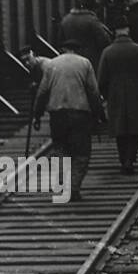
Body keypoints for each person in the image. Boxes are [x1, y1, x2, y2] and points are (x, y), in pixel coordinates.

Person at [32, 38, 105, 202]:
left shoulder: (51, 65)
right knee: (81, 153)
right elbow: (93, 91)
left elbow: (42, 92)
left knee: (60, 150)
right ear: (76, 50)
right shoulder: (85, 63)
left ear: (62, 49)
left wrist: (37, 115)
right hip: (80, 114)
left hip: (57, 116)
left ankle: (63, 184)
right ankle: (73, 188)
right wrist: (99, 113)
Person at [97, 19, 138, 175]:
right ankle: (131, 158)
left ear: (115, 32)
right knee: (135, 129)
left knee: (119, 129)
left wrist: (105, 94)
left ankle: (123, 159)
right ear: (128, 30)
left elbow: (102, 77)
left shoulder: (108, 52)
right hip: (136, 92)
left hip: (115, 94)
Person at [59, 0, 112, 64]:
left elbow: (60, 41)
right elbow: (105, 42)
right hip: (91, 61)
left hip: (69, 61)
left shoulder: (66, 19)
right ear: (93, 7)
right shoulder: (92, 21)